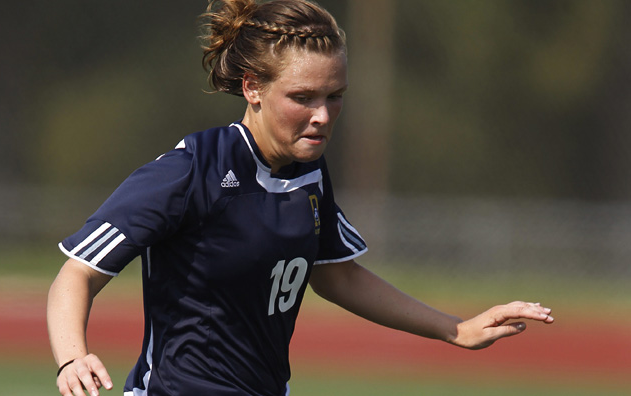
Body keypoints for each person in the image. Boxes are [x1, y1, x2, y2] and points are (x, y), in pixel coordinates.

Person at [47, 0, 555, 395]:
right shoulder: (191, 170)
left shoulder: (308, 171)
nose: (324, 115)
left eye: (335, 95)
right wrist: (73, 357)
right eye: (303, 98)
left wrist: (457, 329)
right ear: (253, 88)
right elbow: (78, 272)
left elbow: (335, 273)